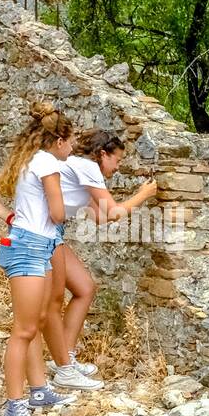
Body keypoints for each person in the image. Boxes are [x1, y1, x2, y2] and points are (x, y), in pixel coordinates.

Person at [0, 102, 80, 416]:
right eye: (72, 140)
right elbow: (59, 214)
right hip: (30, 247)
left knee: (37, 322)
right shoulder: (47, 162)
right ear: (59, 140)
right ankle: (14, 407)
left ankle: (39, 391)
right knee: (23, 330)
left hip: (35, 244)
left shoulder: (27, 160)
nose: (74, 146)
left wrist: (11, 217)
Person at [49, 129, 157, 382]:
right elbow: (114, 213)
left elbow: (100, 217)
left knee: (85, 288)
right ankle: (64, 369)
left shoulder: (81, 171)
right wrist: (143, 195)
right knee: (51, 304)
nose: (117, 167)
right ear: (102, 154)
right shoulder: (86, 167)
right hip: (42, 234)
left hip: (53, 234)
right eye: (116, 160)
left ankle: (65, 358)